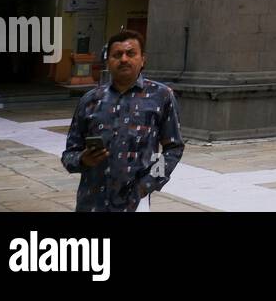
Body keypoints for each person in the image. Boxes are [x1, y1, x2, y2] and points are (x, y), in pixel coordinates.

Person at [62, 30, 184, 212]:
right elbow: (69, 154)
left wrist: (148, 184)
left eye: (131, 53)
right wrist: (82, 159)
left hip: (135, 202)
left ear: (143, 59)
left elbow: (173, 148)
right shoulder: (89, 100)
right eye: (117, 55)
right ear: (107, 62)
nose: (124, 59)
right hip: (92, 202)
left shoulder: (161, 96)